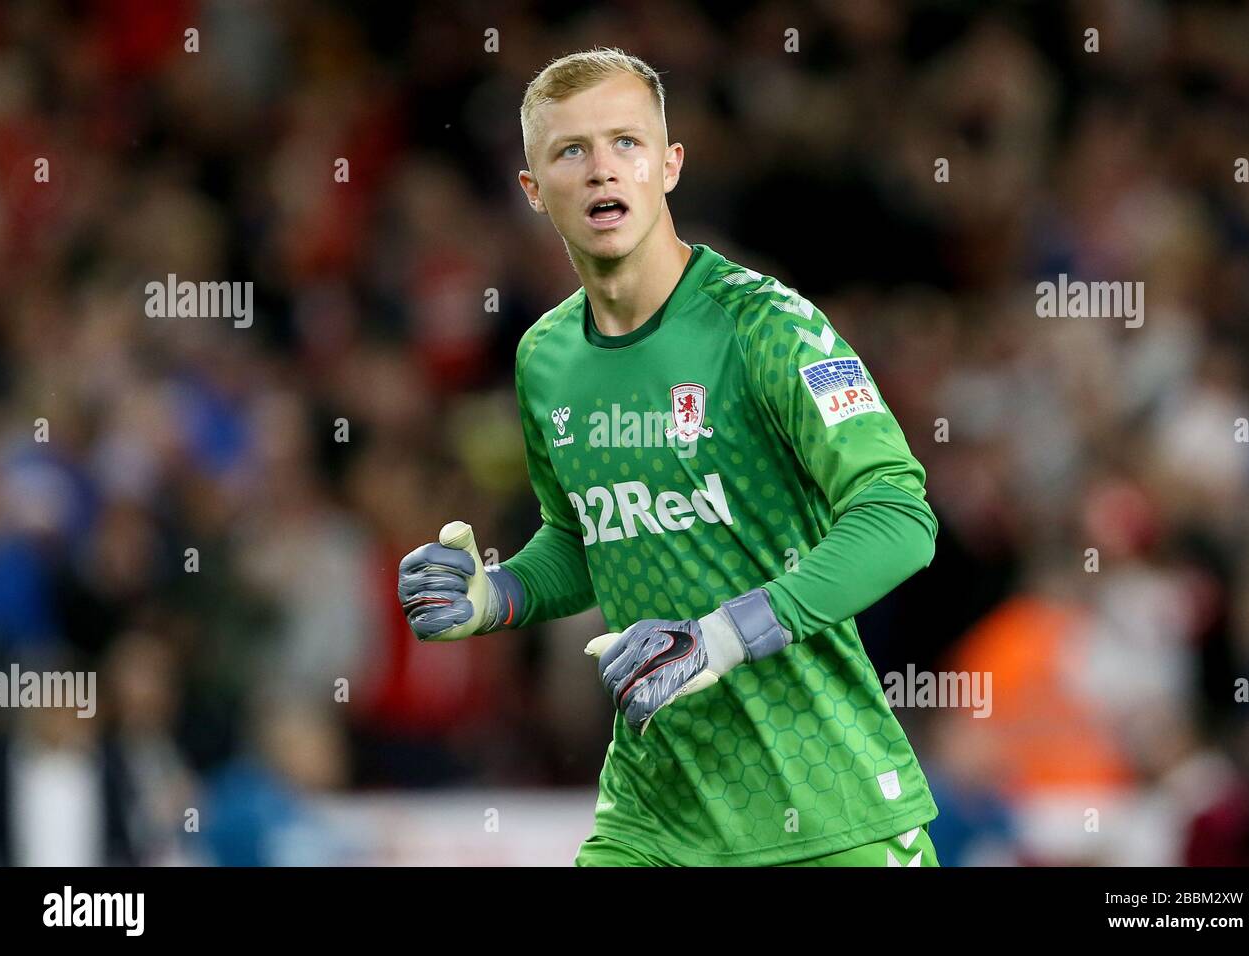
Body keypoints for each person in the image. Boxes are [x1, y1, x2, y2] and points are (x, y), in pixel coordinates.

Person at [398, 47, 940, 867]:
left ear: (670, 166)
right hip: (655, 817)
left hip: (825, 808)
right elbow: (588, 540)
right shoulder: (544, 357)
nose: (601, 169)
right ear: (533, 190)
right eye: (570, 151)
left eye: (626, 143)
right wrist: (495, 594)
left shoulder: (765, 327)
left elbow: (900, 518)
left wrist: (723, 635)